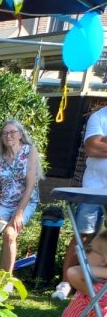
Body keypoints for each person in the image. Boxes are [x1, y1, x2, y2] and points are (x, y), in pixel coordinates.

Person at [54, 104, 107, 301]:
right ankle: (66, 283)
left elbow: (100, 145)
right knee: (82, 235)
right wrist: (98, 144)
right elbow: (92, 148)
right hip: (93, 189)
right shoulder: (99, 117)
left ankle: (99, 286)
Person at [0, 119, 40, 273]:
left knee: (9, 234)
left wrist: (19, 213)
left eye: (12, 132)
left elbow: (31, 185)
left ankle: (5, 281)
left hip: (25, 202)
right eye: (4, 133)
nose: (8, 136)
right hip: (4, 203)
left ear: (20, 135)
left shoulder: (29, 151)